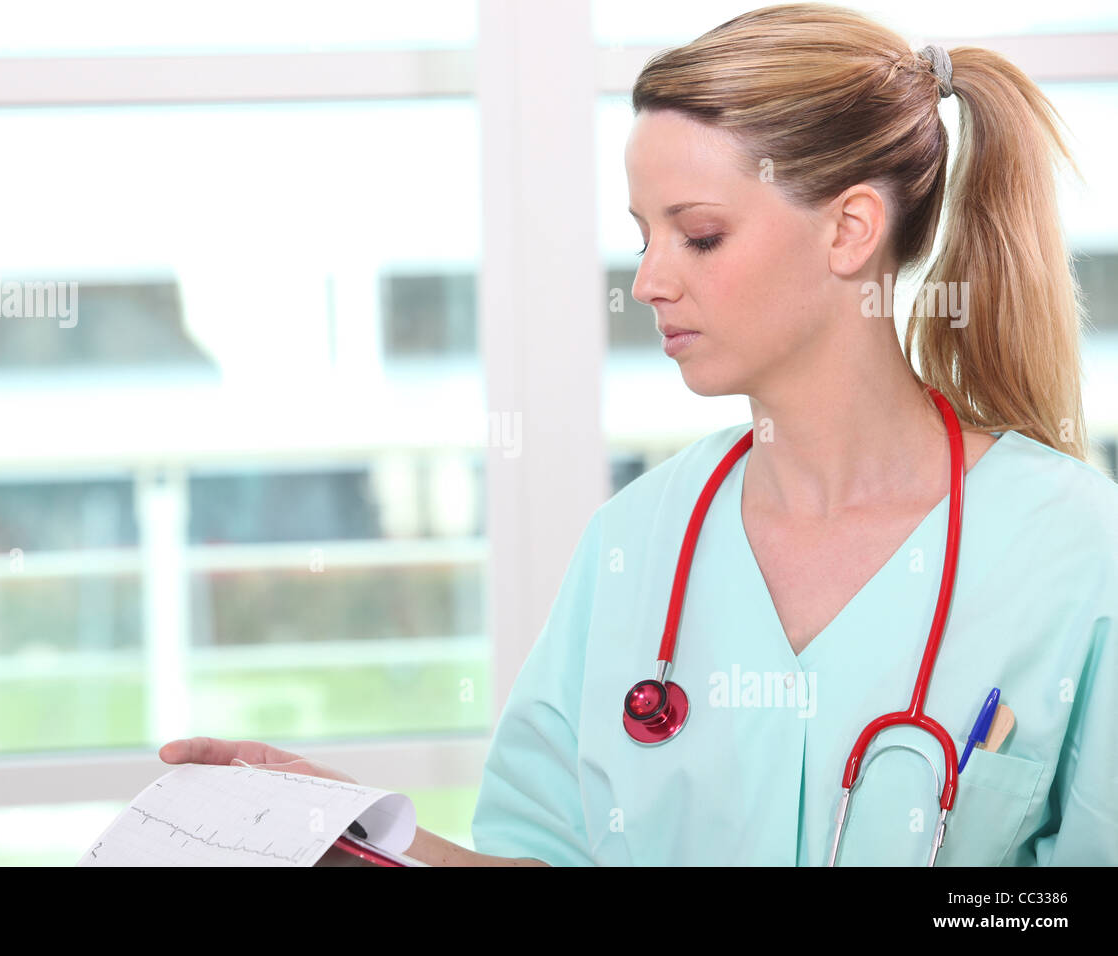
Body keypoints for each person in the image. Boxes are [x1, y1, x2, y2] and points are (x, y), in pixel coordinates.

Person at [160, 3, 1118, 865]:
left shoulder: (1073, 548)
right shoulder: (634, 545)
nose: (650, 280)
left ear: (850, 230)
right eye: (641, 236)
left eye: (697, 235)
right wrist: (360, 839)